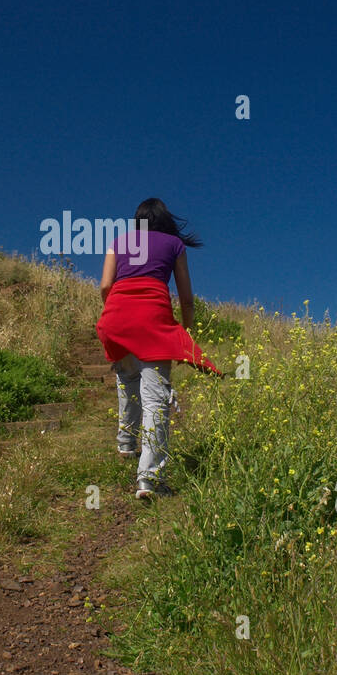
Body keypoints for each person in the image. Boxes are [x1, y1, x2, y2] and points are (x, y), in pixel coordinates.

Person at [96, 198, 221, 499]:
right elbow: (186, 299)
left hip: (117, 320)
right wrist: (184, 335)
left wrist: (117, 314)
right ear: (164, 220)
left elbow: (104, 286)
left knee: (127, 381)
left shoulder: (119, 242)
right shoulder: (174, 245)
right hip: (153, 323)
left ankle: (126, 445)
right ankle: (148, 480)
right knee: (155, 401)